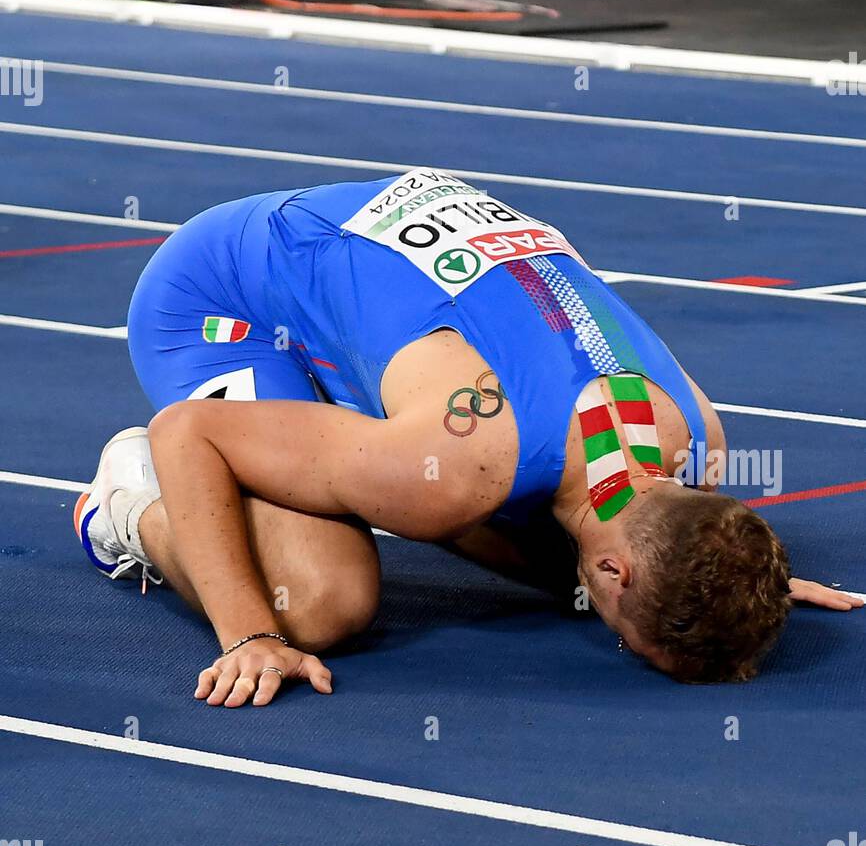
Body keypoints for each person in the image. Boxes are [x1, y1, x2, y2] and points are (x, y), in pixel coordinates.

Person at [74, 169, 862, 706]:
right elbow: (190, 433)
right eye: (633, 640)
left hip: (384, 257)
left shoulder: (695, 439)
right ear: (618, 571)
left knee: (539, 540)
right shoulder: (458, 465)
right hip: (226, 301)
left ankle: (332, 429)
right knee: (321, 603)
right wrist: (247, 632)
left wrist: (732, 576)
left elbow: (660, 538)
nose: (618, 637)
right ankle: (125, 505)